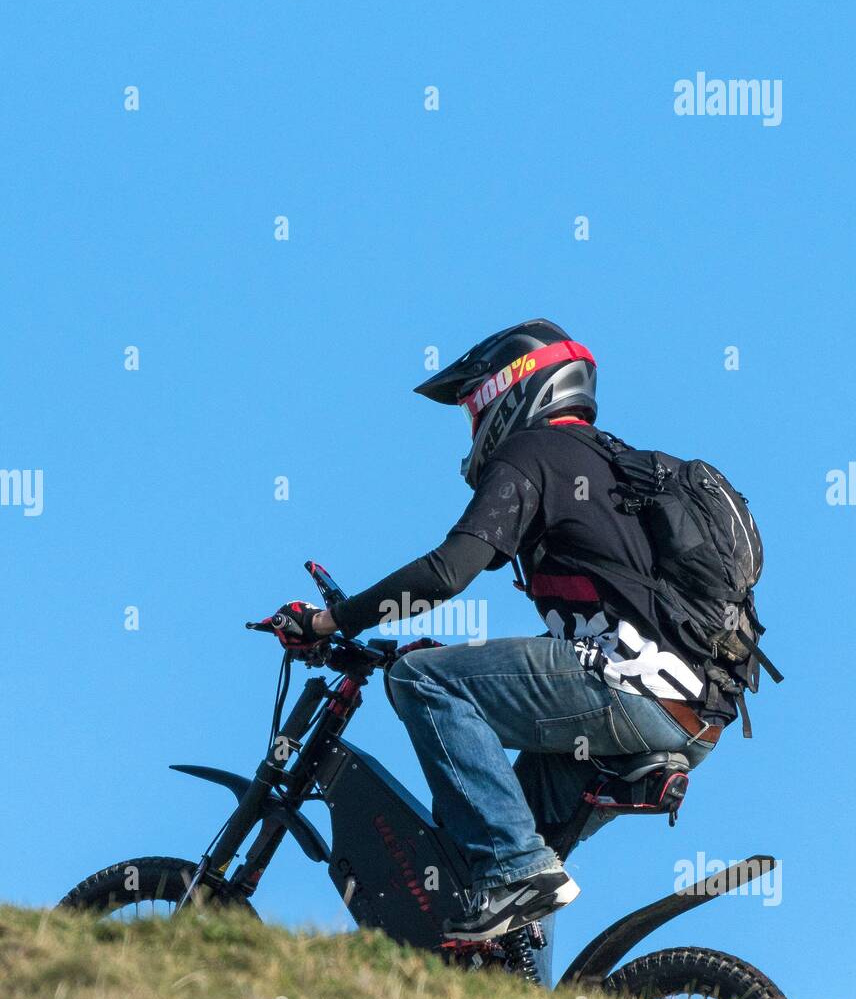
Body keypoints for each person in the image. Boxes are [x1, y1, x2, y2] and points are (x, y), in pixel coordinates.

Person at [275, 320, 725, 944]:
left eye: (470, 407)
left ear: (509, 390)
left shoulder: (532, 452)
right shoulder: (615, 466)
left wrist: (330, 620)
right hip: (691, 714)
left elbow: (445, 572)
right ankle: (520, 992)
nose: (470, 428)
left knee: (421, 681)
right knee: (483, 881)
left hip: (628, 687)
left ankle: (519, 867)